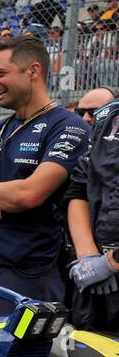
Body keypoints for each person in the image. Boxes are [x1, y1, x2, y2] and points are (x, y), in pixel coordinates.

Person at [0, 35, 90, 302]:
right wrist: (8, 212)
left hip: (30, 275)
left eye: (0, 73)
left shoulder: (68, 127)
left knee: (19, 345)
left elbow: (28, 194)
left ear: (33, 71)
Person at [64, 91, 119, 331]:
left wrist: (112, 262)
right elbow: (79, 188)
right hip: (97, 281)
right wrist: (87, 254)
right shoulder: (109, 118)